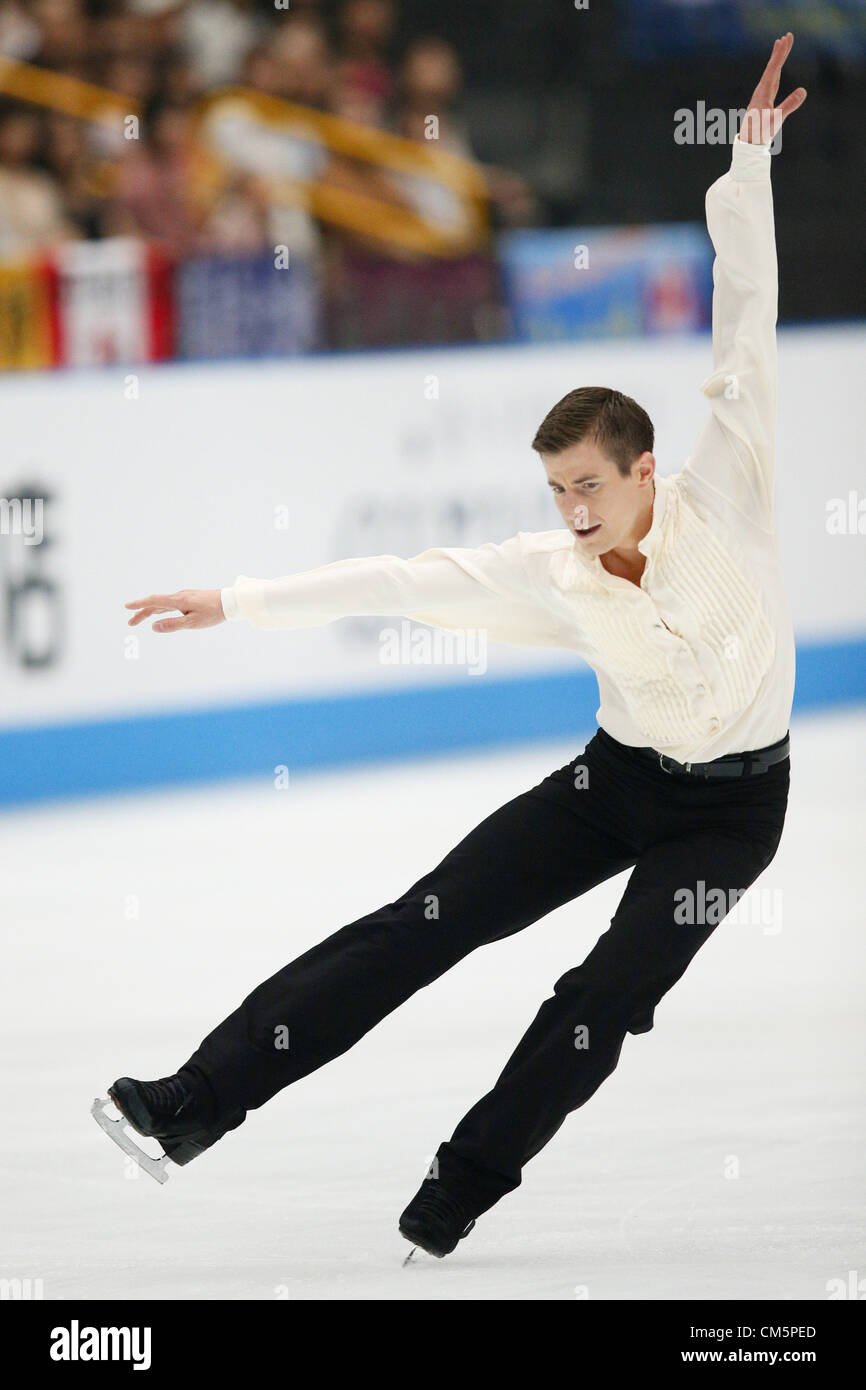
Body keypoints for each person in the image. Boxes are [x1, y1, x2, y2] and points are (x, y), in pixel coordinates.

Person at [102, 37, 807, 1259]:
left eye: (588, 485)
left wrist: (744, 161)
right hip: (615, 780)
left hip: (732, 816)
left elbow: (745, 310)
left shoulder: (727, 482)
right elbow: (401, 578)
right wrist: (241, 597)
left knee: (602, 996)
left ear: (645, 469)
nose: (572, 512)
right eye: (553, 490)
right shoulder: (553, 573)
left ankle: (460, 1187)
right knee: (424, 920)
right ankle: (190, 1105)